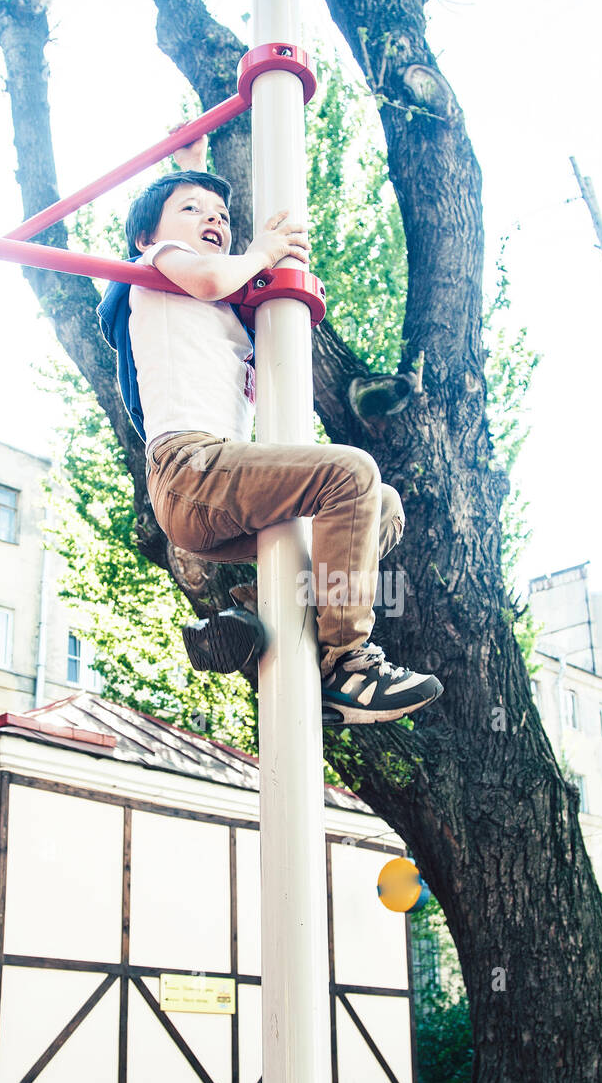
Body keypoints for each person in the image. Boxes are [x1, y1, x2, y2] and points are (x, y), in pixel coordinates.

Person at [97, 138, 442, 725]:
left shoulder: (219, 303)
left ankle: (266, 606)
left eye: (222, 217)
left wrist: (192, 172)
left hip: (223, 484)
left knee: (379, 504)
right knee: (349, 472)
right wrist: (261, 249)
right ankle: (348, 665)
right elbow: (205, 275)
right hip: (189, 470)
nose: (213, 220)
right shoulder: (157, 265)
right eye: (192, 211)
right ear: (146, 238)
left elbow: (211, 271)